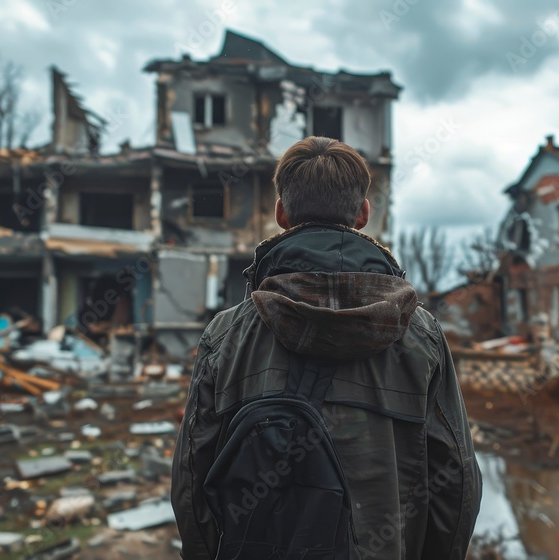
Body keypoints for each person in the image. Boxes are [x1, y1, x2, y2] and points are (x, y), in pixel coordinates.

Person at [172, 136, 481, 559]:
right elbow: (457, 480)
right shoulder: (420, 333)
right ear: (362, 214)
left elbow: (191, 481)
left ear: (282, 213)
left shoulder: (226, 336)